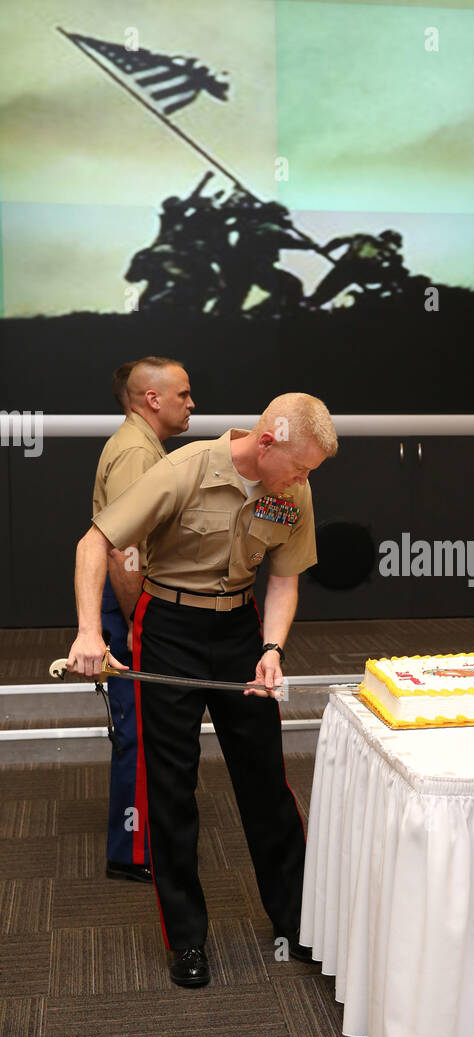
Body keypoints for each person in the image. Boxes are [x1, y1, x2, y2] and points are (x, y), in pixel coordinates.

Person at [66, 394, 339, 988]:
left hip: (241, 630)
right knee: (171, 789)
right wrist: (90, 631)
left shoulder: (293, 489)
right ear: (265, 443)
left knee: (267, 783)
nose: (303, 479)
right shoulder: (185, 468)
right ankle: (187, 939)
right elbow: (95, 542)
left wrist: (272, 650)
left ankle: (294, 921)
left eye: (310, 471)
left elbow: (285, 579)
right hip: (170, 628)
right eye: (300, 467)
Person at [93, 356, 195, 882]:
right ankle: (132, 851)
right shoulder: (137, 453)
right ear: (152, 399)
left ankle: (137, 841)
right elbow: (121, 550)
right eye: (182, 393)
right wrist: (138, 622)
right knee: (138, 724)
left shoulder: (142, 446)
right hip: (133, 600)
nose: (191, 402)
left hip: (131, 598)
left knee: (143, 721)